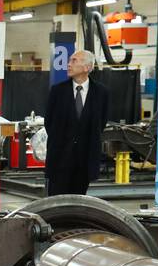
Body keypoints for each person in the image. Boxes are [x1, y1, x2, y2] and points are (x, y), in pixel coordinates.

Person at [42, 49, 110, 196]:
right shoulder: (57, 91)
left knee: (78, 203)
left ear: (87, 67)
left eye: (74, 61)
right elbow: (49, 122)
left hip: (84, 161)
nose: (68, 64)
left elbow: (101, 123)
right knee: (57, 202)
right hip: (60, 159)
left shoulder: (101, 93)